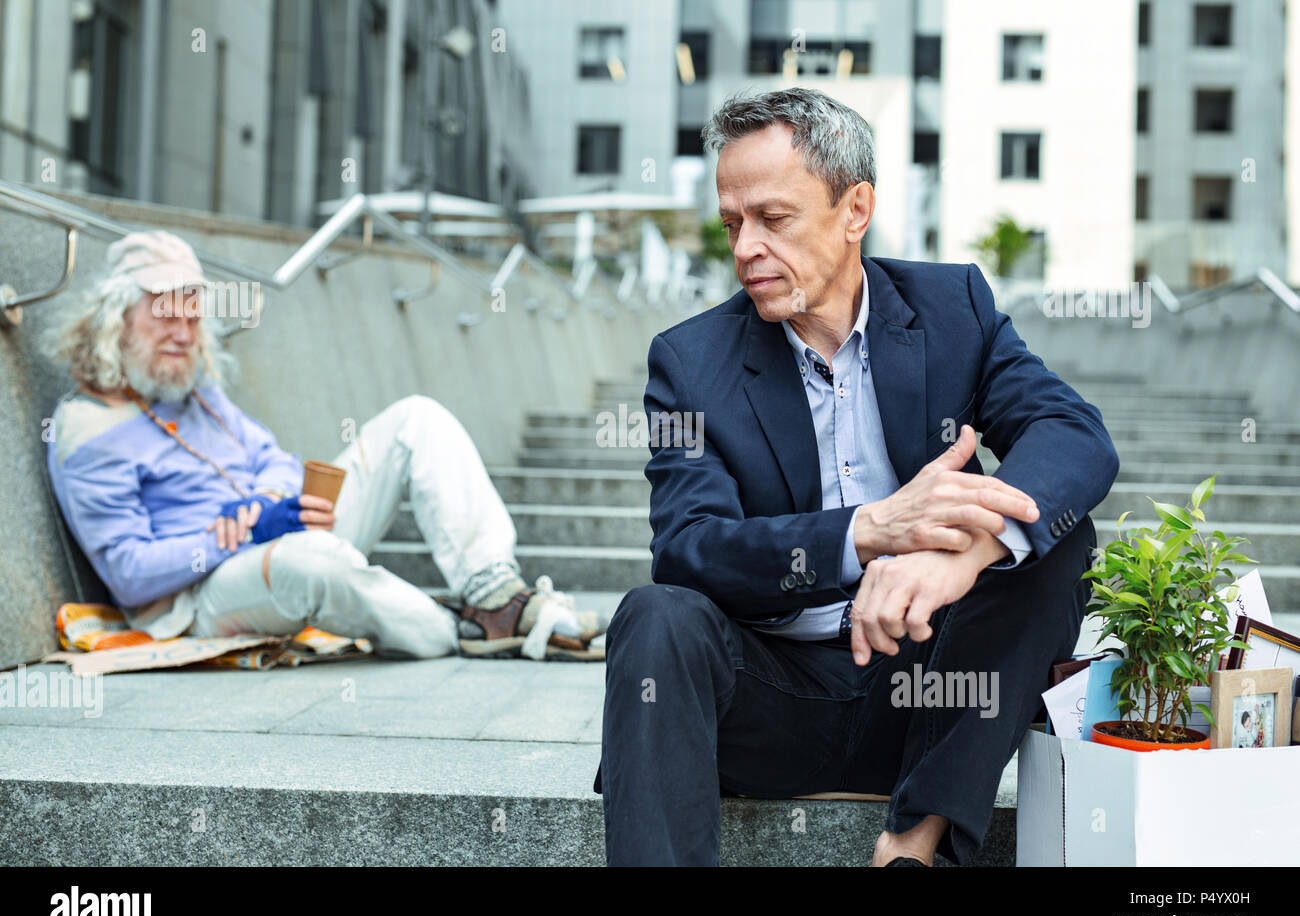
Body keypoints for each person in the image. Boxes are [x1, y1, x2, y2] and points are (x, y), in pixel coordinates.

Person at [597, 88, 1119, 866]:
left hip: (931, 702)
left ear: (855, 209)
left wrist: (960, 555)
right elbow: (689, 547)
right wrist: (869, 532)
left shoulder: (954, 310)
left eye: (773, 219)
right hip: (768, 705)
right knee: (656, 615)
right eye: (732, 224)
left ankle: (914, 845)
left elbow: (1073, 435)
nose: (745, 249)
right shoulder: (688, 361)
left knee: (1055, 546)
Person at [45, 230, 605, 662]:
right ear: (114, 321)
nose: (185, 331)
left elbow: (276, 461)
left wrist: (272, 501)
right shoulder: (86, 433)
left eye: (193, 312)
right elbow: (126, 571)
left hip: (280, 535)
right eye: (166, 311)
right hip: (201, 595)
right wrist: (227, 537)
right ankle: (453, 631)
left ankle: (492, 592)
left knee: (417, 417)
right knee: (311, 561)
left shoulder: (192, 391)